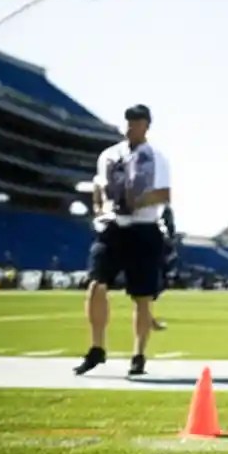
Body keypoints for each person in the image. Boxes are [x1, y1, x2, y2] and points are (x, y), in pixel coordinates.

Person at [73, 104, 173, 377]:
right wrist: (99, 209)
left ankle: (138, 354)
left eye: (138, 122)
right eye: (129, 122)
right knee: (96, 283)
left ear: (146, 126)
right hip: (113, 227)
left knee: (142, 297)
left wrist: (136, 201)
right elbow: (97, 185)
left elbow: (164, 194)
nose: (132, 127)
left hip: (144, 227)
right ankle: (96, 348)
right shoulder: (109, 155)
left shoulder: (156, 157)